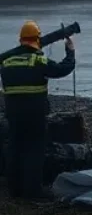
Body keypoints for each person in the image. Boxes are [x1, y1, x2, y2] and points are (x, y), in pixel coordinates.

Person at [1, 20, 75, 198]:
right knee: (34, 150)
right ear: (36, 39)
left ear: (21, 39)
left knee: (15, 148)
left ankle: (14, 189)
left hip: (13, 114)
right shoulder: (38, 60)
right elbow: (63, 69)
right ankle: (33, 190)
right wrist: (70, 52)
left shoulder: (7, 62)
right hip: (35, 114)